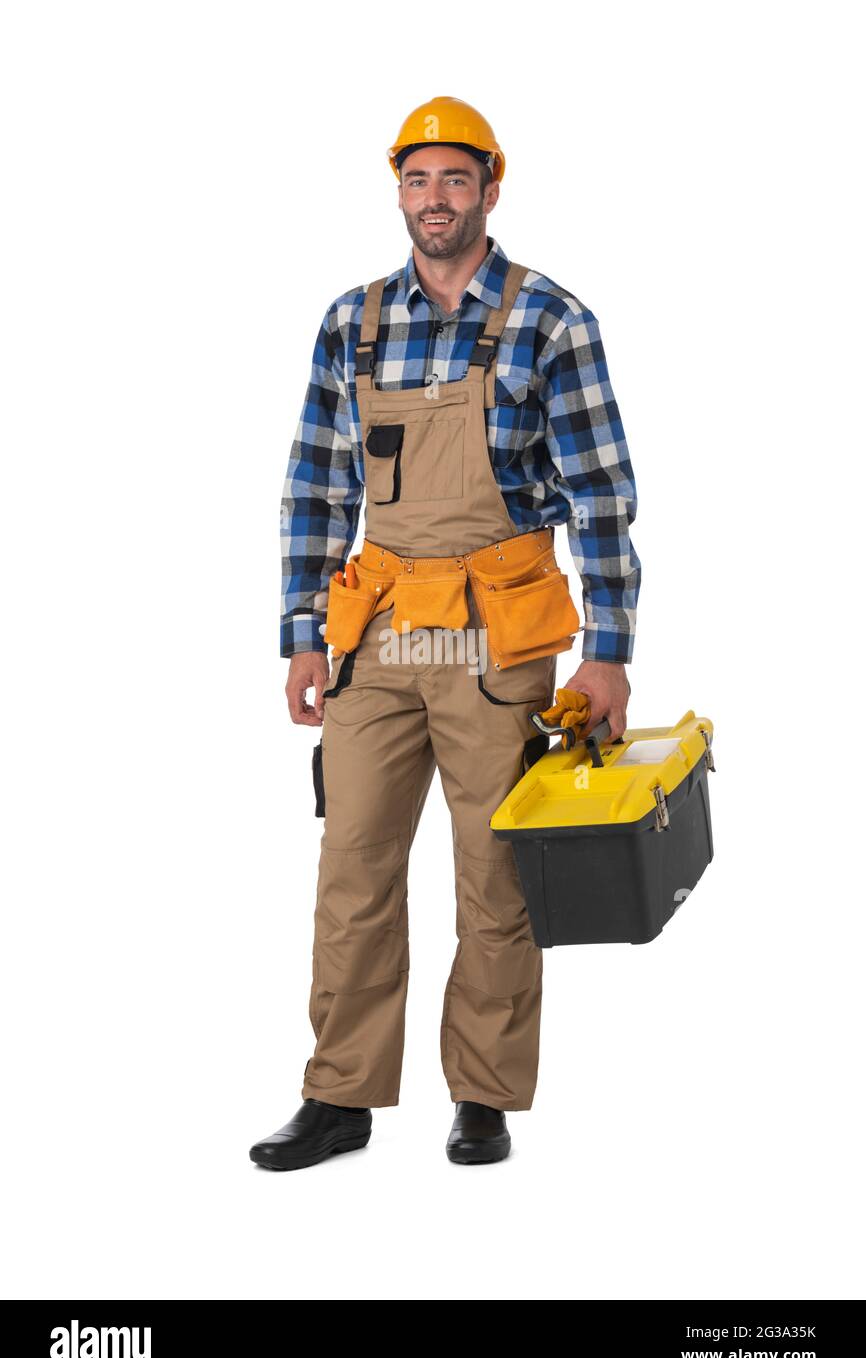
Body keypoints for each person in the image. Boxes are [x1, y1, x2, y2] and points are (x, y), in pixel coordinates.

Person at [250, 96, 640, 1171]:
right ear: (398, 192)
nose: (435, 199)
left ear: (489, 190)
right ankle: (339, 1095)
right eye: (417, 180)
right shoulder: (353, 321)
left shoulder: (549, 321)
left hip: (495, 636)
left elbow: (602, 495)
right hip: (376, 634)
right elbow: (317, 486)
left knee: (497, 873)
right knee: (353, 867)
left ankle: (482, 1095)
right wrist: (303, 634)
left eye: (455, 180)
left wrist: (608, 654)